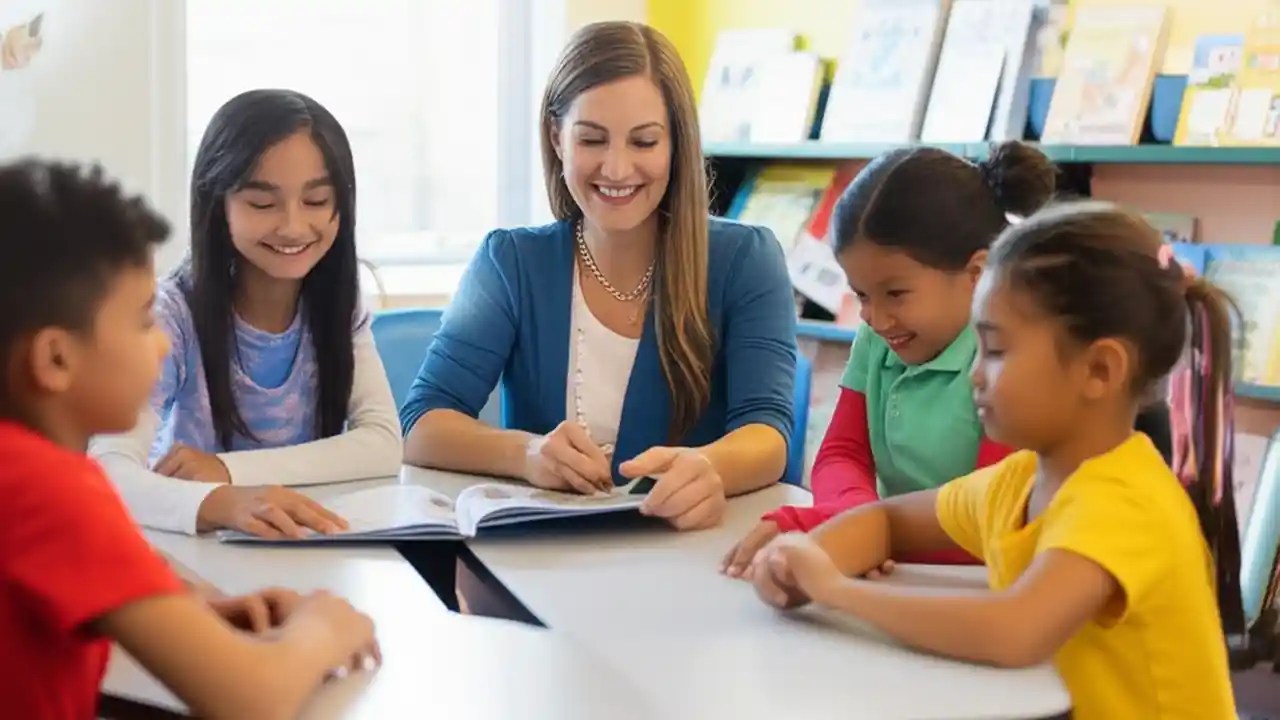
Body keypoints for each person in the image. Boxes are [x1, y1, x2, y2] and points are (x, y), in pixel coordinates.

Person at [752, 202, 1238, 719]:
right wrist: (801, 563)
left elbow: (1014, 629)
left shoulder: (1125, 500)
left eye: (997, 351)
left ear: (1099, 369)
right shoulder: (1020, 480)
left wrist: (835, 590)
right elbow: (888, 522)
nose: (975, 376)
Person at [0, 159, 378, 719]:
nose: (159, 345)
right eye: (142, 320)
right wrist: (325, 627)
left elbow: (115, 570)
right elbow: (251, 698)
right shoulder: (48, 490)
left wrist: (204, 608)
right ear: (56, 358)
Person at [401, 21, 796, 532]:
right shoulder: (510, 262)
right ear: (557, 138)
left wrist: (710, 468)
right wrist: (527, 453)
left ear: (676, 145)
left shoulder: (747, 259)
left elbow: (768, 431)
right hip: (543, 553)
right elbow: (424, 424)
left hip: (689, 546)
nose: (616, 167)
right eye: (592, 139)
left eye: (644, 141)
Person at [723, 143, 1055, 574]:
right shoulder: (879, 336)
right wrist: (855, 518)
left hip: (987, 587)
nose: (874, 317)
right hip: (907, 571)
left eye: (895, 294)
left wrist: (867, 532)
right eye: (861, 294)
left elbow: (991, 516)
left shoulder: (1014, 363)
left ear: (977, 274)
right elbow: (842, 453)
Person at [90, 89, 401, 538]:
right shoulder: (172, 314)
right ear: (219, 205)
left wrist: (227, 471)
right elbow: (109, 469)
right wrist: (221, 501)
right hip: (194, 551)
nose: (293, 226)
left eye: (316, 201)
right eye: (262, 203)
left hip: (306, 541)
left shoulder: (337, 299)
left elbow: (383, 444)